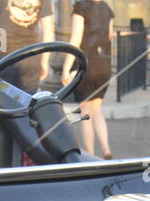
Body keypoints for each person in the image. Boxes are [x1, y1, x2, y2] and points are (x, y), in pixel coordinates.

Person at [63, 0, 114, 159]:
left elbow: (76, 39)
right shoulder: (107, 8)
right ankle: (106, 148)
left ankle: (90, 154)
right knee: (97, 109)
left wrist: (66, 68)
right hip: (104, 64)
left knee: (85, 110)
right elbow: (110, 36)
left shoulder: (80, 6)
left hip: (87, 63)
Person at [0, 0, 55, 93]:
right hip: (31, 54)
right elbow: (48, 27)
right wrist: (44, 60)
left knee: (2, 100)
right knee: (27, 100)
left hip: (3, 55)